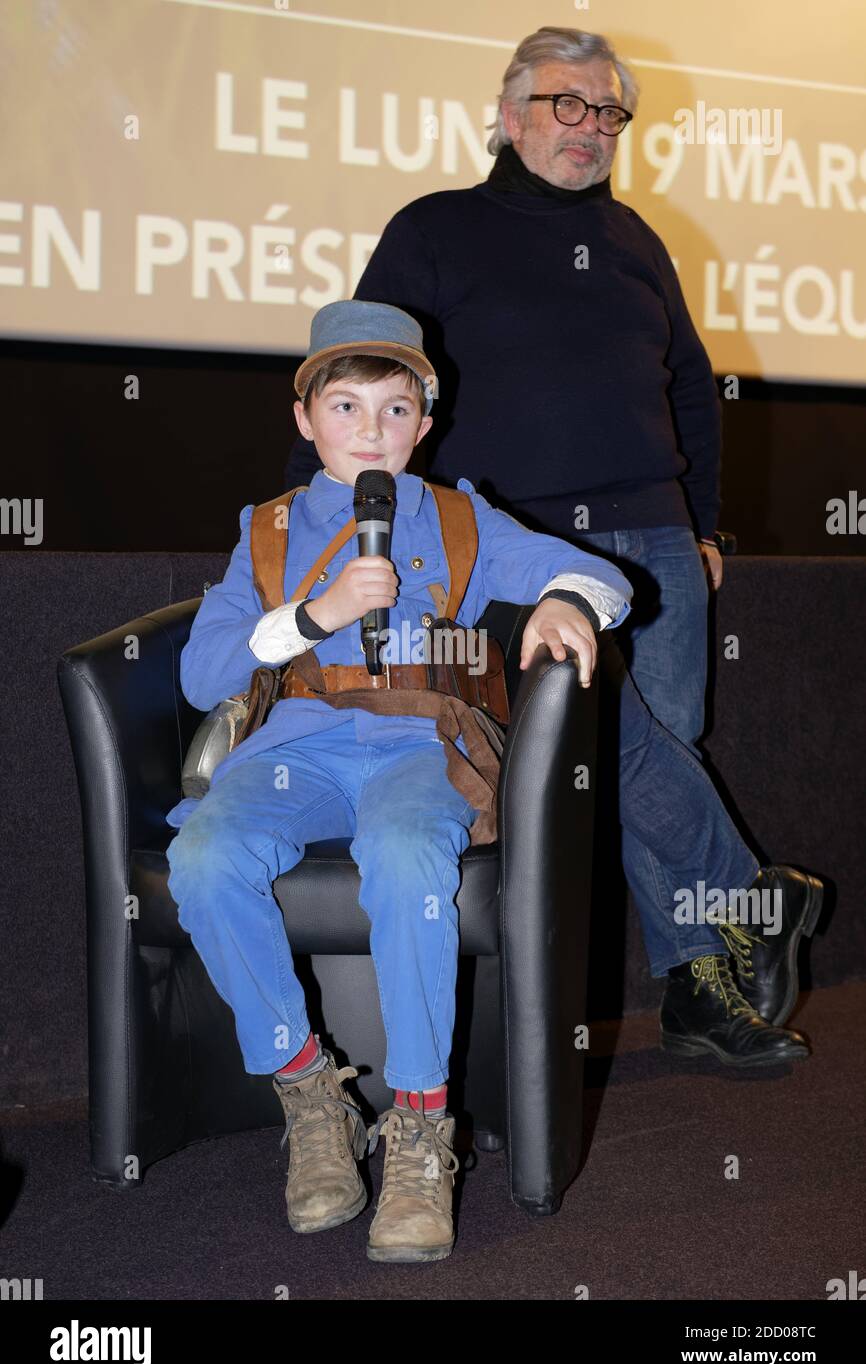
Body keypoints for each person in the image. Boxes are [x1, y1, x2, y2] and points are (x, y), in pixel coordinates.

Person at [165, 300, 819, 1265]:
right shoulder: (267, 532)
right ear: (305, 420)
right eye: (345, 409)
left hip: (421, 751)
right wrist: (313, 616)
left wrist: (561, 600)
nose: (371, 434)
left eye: (395, 411)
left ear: (425, 422)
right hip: (295, 751)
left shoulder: (460, 515)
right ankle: (309, 1097)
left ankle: (423, 1130)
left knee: (405, 850)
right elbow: (201, 670)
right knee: (205, 854)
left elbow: (608, 583)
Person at [283, 27, 783, 1019]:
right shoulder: (432, 227)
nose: (587, 128)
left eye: (605, 112)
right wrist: (321, 524)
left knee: (661, 748)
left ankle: (698, 990)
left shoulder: (639, 240)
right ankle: (747, 910)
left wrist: (707, 529)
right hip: (509, 549)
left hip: (655, 539)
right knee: (617, 752)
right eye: (565, 104)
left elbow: (689, 384)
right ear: (509, 117)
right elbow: (362, 381)